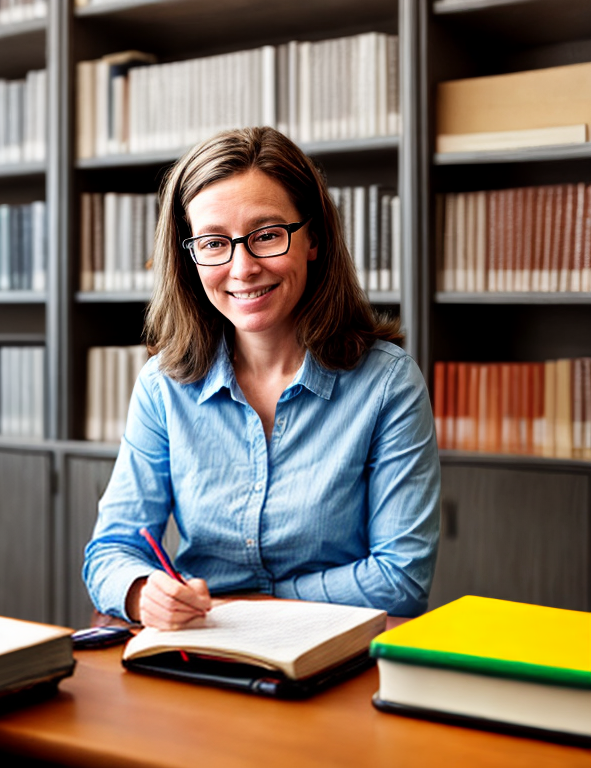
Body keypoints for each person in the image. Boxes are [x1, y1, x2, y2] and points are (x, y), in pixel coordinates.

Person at [82, 126, 440, 629]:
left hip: (332, 650)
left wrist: (244, 605)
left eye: (267, 235)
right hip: (203, 645)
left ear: (312, 237)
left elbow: (400, 579)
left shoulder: (386, 383)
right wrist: (144, 593)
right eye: (213, 243)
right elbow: (111, 551)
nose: (242, 267)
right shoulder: (163, 386)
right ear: (189, 257)